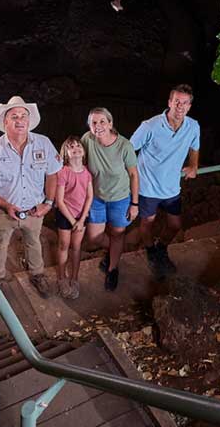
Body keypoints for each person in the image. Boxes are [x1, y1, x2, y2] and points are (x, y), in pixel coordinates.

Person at [0, 95, 61, 297]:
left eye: (23, 116)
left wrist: (48, 202)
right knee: (0, 243)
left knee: (33, 241)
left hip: (34, 209)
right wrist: (5, 205)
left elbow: (53, 174)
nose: (19, 120)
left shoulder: (43, 144)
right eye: (14, 116)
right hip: (3, 212)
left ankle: (38, 275)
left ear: (29, 121)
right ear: (5, 122)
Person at [130, 84, 200, 276]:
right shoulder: (149, 126)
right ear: (169, 102)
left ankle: (160, 247)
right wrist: (131, 175)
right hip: (147, 187)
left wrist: (193, 165)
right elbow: (128, 150)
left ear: (189, 106)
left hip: (171, 188)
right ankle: (151, 251)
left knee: (175, 225)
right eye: (177, 101)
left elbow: (194, 147)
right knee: (147, 223)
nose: (180, 106)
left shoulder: (193, 126)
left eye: (185, 103)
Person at [82, 107, 139, 292]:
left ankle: (113, 268)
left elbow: (133, 175)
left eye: (102, 122)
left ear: (110, 123)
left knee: (117, 233)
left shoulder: (124, 146)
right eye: (94, 123)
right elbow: (76, 158)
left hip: (120, 198)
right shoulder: (87, 140)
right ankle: (116, 249)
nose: (98, 126)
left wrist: (134, 204)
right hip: (97, 197)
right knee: (94, 237)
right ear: (89, 126)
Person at [51, 136, 93, 300]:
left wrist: (82, 220)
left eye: (78, 146)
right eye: (71, 146)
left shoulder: (87, 173)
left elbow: (89, 197)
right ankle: (61, 278)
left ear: (83, 151)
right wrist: (73, 221)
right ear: (66, 153)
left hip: (81, 216)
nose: (76, 148)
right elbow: (59, 200)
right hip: (65, 215)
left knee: (76, 247)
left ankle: (74, 278)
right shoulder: (63, 173)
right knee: (64, 245)